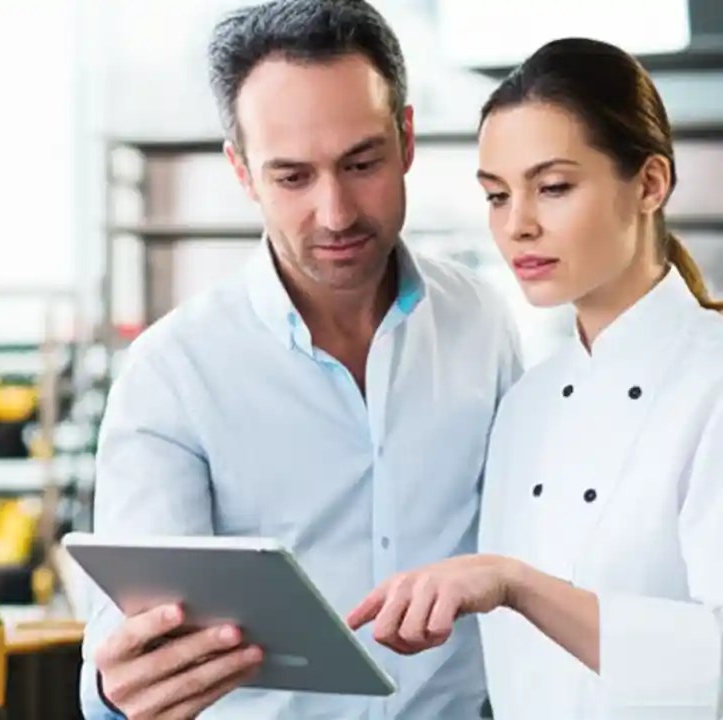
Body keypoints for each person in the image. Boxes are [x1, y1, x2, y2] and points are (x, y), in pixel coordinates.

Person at [78, 1, 523, 718]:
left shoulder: (482, 323)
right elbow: (126, 629)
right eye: (292, 177)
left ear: (405, 139)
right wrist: (112, 686)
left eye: (362, 163)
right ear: (243, 171)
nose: (337, 212)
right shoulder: (172, 373)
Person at [346, 37, 723, 718]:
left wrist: (516, 583)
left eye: (552, 187)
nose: (517, 226)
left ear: (650, 183)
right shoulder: (525, 404)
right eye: (496, 195)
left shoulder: (712, 381)